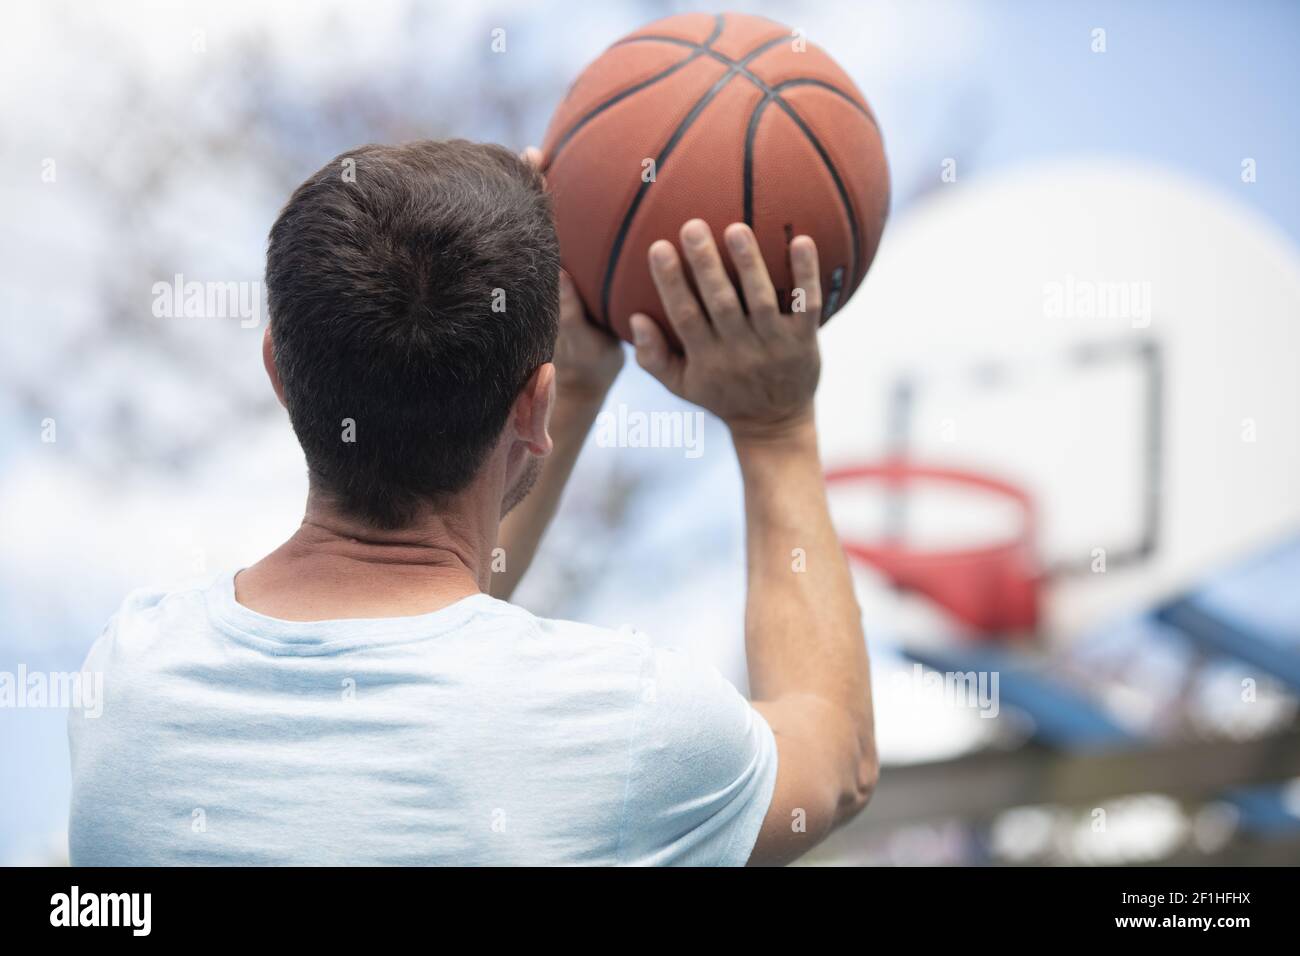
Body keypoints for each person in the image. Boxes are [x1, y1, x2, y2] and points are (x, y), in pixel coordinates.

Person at [68, 140, 876, 866]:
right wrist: (775, 424)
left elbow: (429, 648)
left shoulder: (128, 674)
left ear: (279, 370)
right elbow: (836, 760)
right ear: (534, 406)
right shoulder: (629, 725)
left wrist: (575, 383)